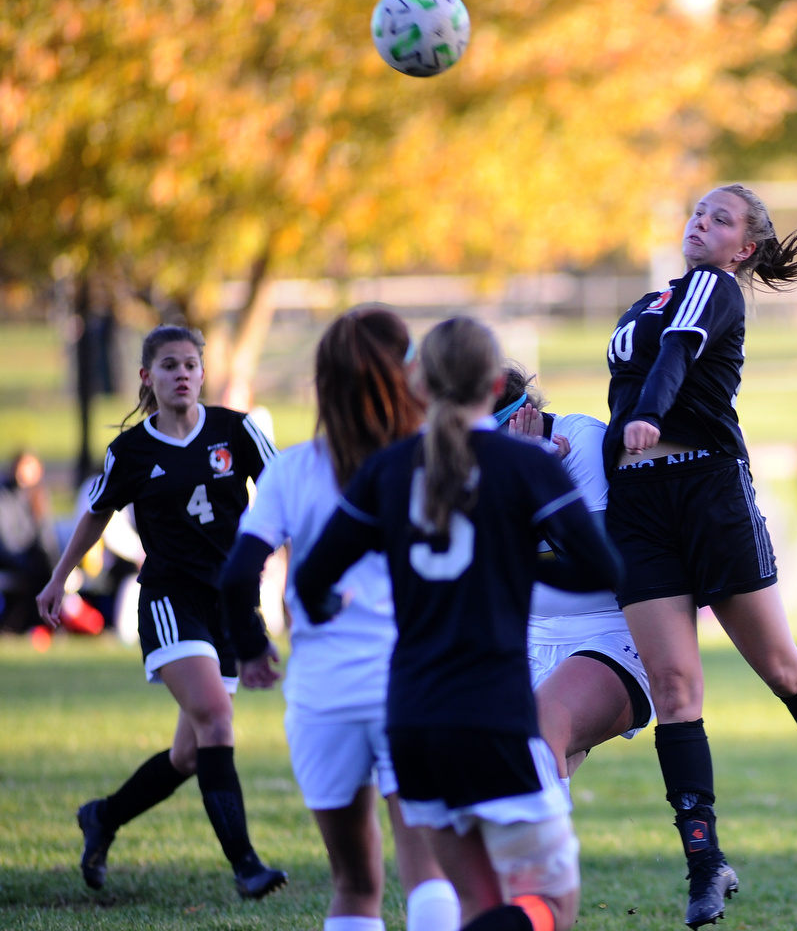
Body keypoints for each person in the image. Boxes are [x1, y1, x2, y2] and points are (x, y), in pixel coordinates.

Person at [603, 184, 797, 928]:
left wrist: (646, 417)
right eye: (697, 211)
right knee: (673, 688)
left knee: (780, 669)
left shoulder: (715, 289)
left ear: (746, 249)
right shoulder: (648, 300)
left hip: (709, 495)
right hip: (639, 508)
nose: (701, 223)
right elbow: (627, 387)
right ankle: (705, 864)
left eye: (721, 219)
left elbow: (671, 364)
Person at [294, 316, 623, 931]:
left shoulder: (389, 469)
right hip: (492, 718)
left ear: (418, 383)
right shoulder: (525, 464)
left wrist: (329, 610)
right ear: (495, 381)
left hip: (411, 721)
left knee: (476, 902)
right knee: (549, 907)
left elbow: (311, 582)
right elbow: (604, 570)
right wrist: (519, 562)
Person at [219, 308, 460, 931]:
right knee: (429, 871)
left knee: (354, 885)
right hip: (413, 687)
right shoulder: (435, 461)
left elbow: (238, 574)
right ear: (408, 373)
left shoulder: (292, 470)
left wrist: (249, 647)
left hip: (323, 697)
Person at [36, 325, 286, 900]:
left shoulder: (236, 430)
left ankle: (103, 816)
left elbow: (286, 496)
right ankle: (246, 864)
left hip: (231, 607)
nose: (182, 374)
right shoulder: (132, 451)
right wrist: (60, 577)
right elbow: (97, 513)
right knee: (217, 720)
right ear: (147, 376)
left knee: (190, 753)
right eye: (169, 365)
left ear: (203, 373)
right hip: (171, 601)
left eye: (191, 365)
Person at [492, 366, 654, 789]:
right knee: (478, 761)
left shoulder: (581, 439)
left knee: (537, 738)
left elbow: (597, 567)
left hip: (608, 632)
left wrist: (539, 483)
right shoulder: (463, 464)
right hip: (525, 634)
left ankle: (545, 857)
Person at [0, 451, 59, 633]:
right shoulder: (4, 496)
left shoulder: (39, 496)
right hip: (11, 558)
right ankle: (45, 622)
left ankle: (46, 621)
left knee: (45, 562)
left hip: (35, 559)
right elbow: (6, 540)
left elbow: (46, 535)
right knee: (40, 570)